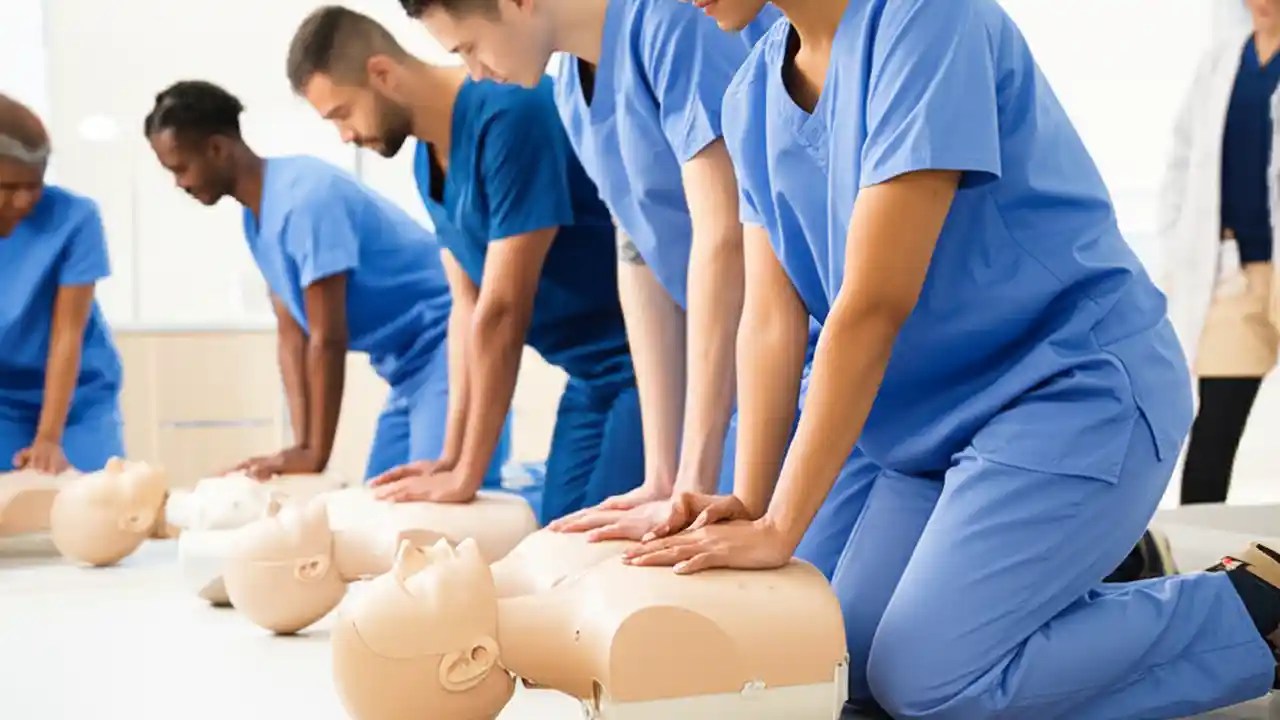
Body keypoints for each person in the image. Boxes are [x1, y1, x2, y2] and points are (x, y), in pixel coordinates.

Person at [611, 0, 1279, 717]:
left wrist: (782, 528)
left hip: (1068, 390)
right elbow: (771, 321)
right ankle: (1096, 575)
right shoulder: (750, 95)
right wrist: (750, 503)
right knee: (839, 658)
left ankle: (1254, 611)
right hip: (923, 431)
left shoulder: (929, 21)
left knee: (929, 681)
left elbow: (873, 304)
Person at [397, 0, 874, 581]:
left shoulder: (673, 20)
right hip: (751, 363)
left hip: (817, 350)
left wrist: (694, 480)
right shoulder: (572, 89)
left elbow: (722, 238)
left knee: (797, 599)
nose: (473, 72)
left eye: (469, 47)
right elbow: (639, 260)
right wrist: (662, 475)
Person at [283, 7, 642, 523]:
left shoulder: (509, 109)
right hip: (588, 377)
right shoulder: (425, 161)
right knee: (558, 530)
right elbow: (467, 308)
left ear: (381, 75)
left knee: (602, 546)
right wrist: (447, 458)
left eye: (342, 113)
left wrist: (469, 473)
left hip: (642, 363)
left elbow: (502, 309)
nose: (345, 135)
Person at [144, 81, 509, 487]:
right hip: (405, 370)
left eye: (180, 168)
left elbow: (327, 337)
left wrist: (315, 454)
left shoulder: (305, 198)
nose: (180, 184)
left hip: (448, 345)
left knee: (436, 514)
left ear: (216, 148)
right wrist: (300, 448)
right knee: (379, 503)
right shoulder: (256, 219)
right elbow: (292, 337)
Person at [1160, 0, 1280, 505]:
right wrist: (1175, 239)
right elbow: (1183, 160)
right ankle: (1195, 573)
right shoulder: (1221, 59)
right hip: (1231, 272)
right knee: (1213, 432)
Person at [0, 93, 124, 474]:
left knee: (97, 507)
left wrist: (49, 439)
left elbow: (66, 334)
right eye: (9, 186)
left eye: (34, 185)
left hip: (77, 401)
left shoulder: (75, 218)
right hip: (3, 400)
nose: (24, 200)